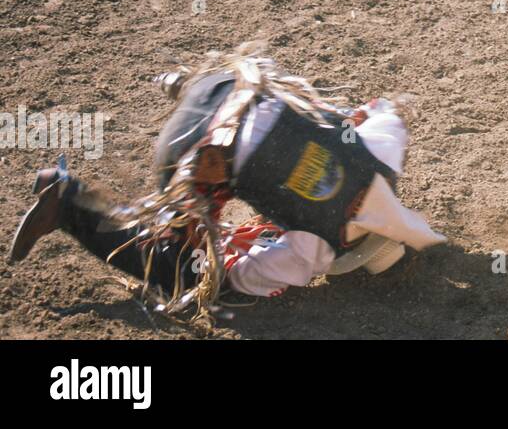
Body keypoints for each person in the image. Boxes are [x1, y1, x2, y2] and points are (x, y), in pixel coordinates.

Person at [9, 50, 446, 315]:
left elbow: (381, 109)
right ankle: (66, 203)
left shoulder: (383, 154)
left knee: (279, 133)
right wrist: (236, 245)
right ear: (350, 250)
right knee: (186, 274)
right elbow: (235, 276)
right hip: (188, 154)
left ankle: (187, 89)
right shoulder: (315, 251)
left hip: (233, 87)